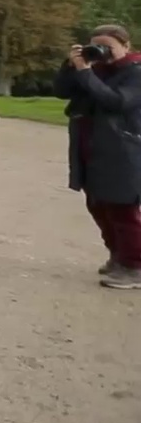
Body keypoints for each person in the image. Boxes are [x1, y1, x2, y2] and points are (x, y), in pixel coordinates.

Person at [56, 24, 141, 288]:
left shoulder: (135, 73)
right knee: (98, 205)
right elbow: (61, 92)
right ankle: (119, 256)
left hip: (122, 150)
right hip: (90, 147)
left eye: (108, 47)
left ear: (126, 46)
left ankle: (135, 266)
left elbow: (116, 102)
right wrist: (71, 66)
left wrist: (85, 73)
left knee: (122, 208)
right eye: (97, 46)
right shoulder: (94, 71)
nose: (102, 52)